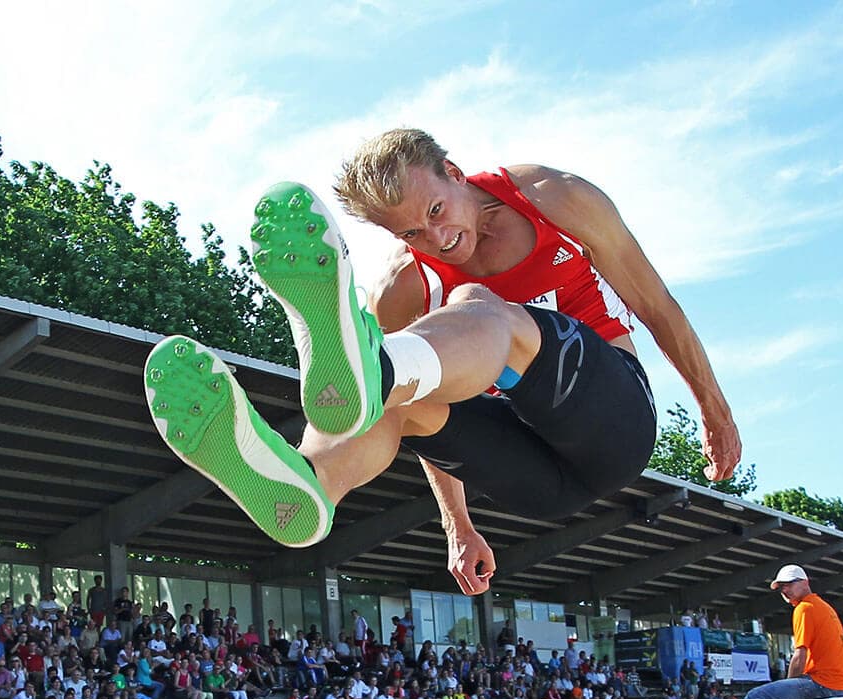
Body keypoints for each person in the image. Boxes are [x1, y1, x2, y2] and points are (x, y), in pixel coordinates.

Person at [143, 128, 738, 588]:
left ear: (453, 173)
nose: (436, 239)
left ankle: (376, 367)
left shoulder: (552, 198)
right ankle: (314, 485)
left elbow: (656, 304)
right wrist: (458, 525)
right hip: (533, 478)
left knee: (475, 305)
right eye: (412, 235)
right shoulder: (404, 285)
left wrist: (713, 407)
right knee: (393, 400)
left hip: (612, 427)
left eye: (435, 211)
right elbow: (430, 421)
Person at [742, 565, 843, 699]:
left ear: (805, 582)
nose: (785, 590)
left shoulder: (804, 608)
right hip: (841, 683)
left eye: (789, 584)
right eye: (781, 587)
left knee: (754, 698)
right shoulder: (823, 607)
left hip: (824, 682)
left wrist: (789, 683)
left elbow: (800, 655)